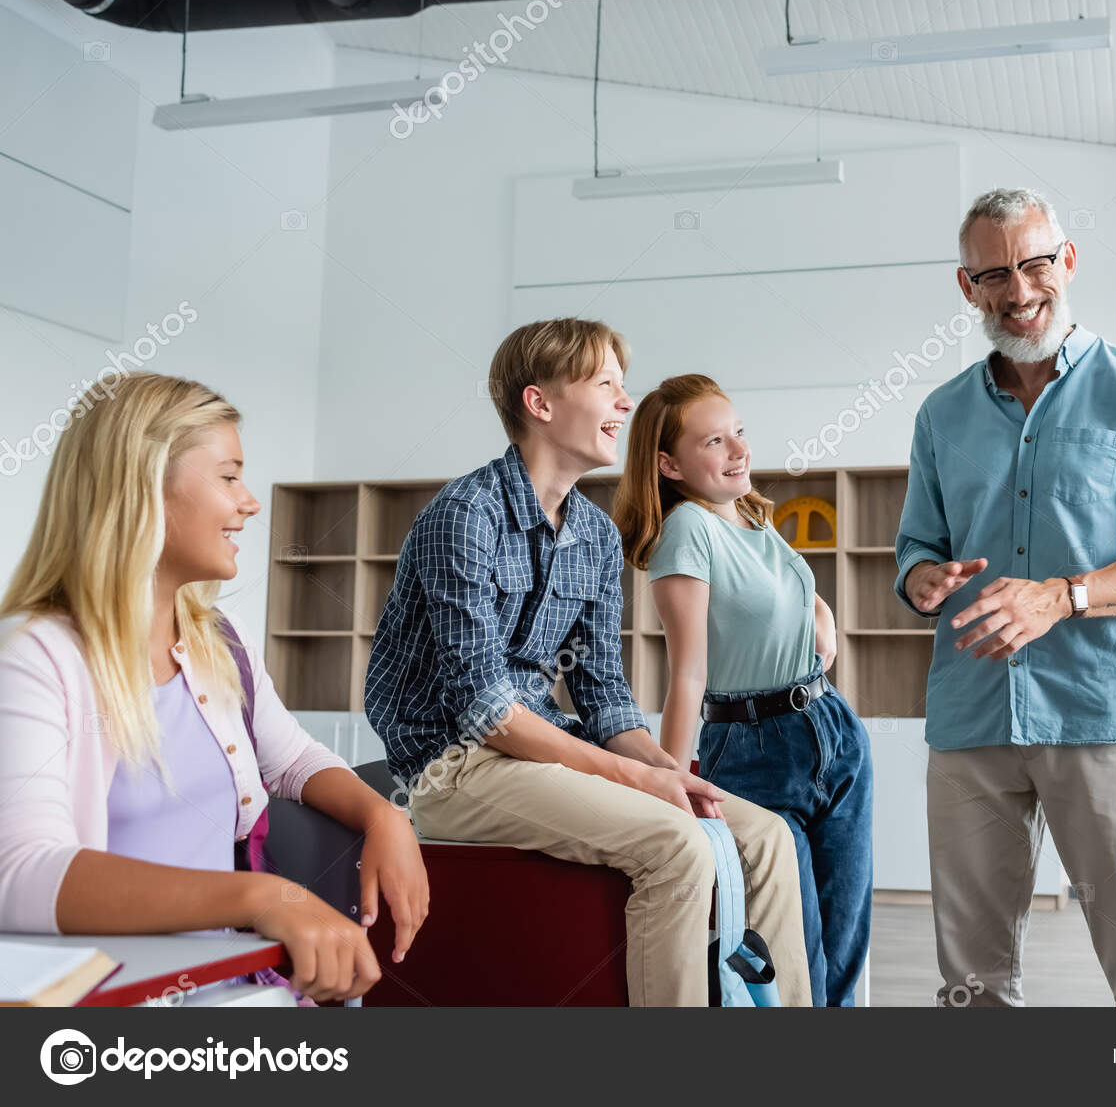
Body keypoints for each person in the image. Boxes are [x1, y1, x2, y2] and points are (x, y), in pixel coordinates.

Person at [365, 318, 811, 1007]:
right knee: (677, 845)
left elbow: (605, 702)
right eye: (607, 384)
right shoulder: (464, 516)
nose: (625, 404)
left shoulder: (597, 536)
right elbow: (488, 713)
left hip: (543, 755)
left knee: (766, 837)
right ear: (540, 404)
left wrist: (670, 774)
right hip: (453, 767)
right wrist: (637, 778)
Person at [0, 373, 428, 1005]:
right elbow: (21, 876)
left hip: (233, 986)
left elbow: (292, 760)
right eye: (228, 477)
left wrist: (382, 813)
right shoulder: (33, 654)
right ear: (143, 486)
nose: (250, 502)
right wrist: (263, 897)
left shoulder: (216, 641)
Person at [895, 187, 1116, 1007]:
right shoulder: (942, 415)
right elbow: (917, 550)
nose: (1019, 289)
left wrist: (1062, 597)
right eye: (993, 273)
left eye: (1035, 263)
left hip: (1100, 712)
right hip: (971, 716)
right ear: (967, 287)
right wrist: (922, 581)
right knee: (972, 984)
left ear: (1067, 262)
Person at [614, 374, 872, 1007]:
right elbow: (688, 673)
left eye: (739, 432)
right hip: (756, 746)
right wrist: (671, 787)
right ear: (668, 464)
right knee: (794, 947)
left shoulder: (753, 516)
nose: (738, 450)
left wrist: (823, 611)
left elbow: (778, 588)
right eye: (713, 441)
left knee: (845, 937)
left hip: (831, 727)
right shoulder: (687, 533)